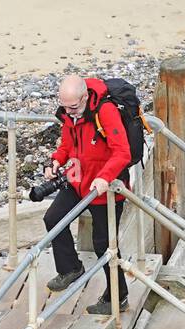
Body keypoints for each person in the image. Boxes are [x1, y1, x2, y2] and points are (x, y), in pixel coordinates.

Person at [42, 75, 132, 316]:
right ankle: (71, 269)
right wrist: (55, 161)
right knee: (53, 219)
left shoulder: (106, 111)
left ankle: (118, 297)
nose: (69, 112)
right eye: (64, 106)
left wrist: (105, 177)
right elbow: (66, 146)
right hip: (77, 180)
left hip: (104, 189)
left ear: (84, 97)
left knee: (104, 245)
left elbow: (122, 152)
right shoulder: (69, 114)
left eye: (73, 106)